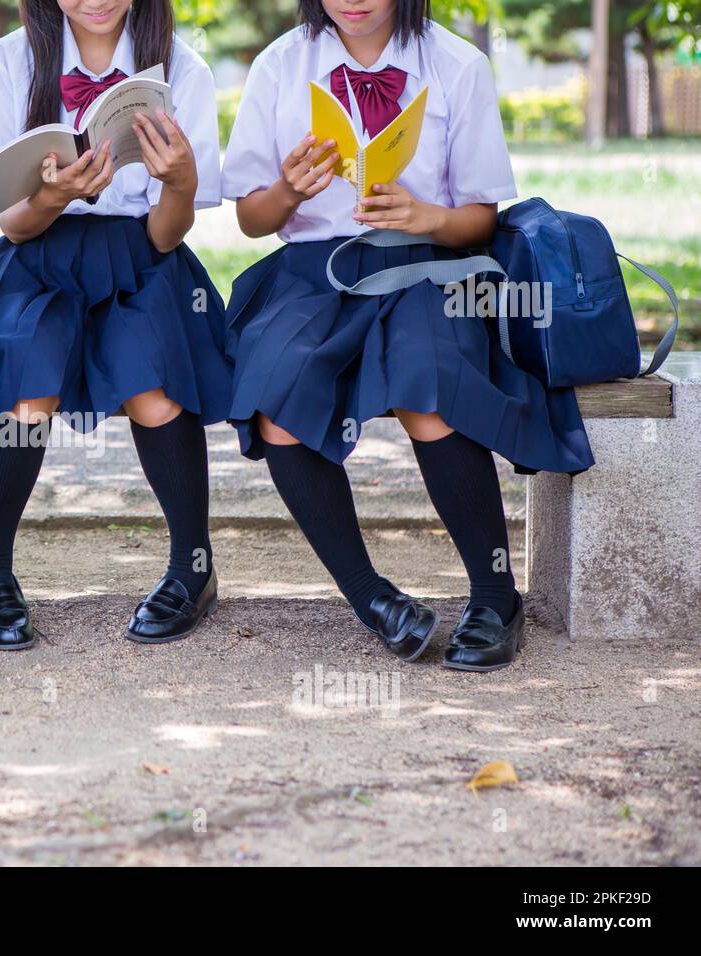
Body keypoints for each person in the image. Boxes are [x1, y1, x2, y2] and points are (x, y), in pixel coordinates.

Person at [221, 0, 593, 671]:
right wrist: (287, 191)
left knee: (427, 382)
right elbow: (251, 218)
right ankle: (372, 599)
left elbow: (480, 220)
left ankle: (494, 596)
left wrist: (424, 215)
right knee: (279, 390)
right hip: (314, 272)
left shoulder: (457, 63)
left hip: (427, 264)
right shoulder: (279, 66)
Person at [0, 0, 232, 650]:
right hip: (38, 256)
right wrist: (52, 196)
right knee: (28, 385)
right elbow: (13, 222)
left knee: (152, 386)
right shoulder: (6, 62)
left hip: (143, 258)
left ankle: (193, 566)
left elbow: (167, 232)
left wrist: (180, 185)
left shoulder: (183, 69)